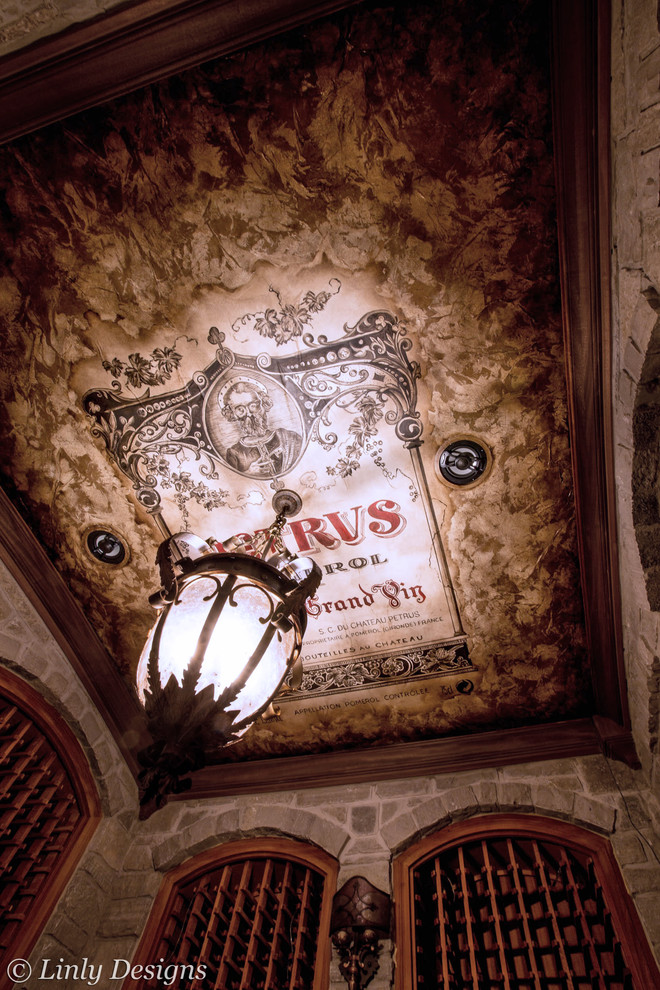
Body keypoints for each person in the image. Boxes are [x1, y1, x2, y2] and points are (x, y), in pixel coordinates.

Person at [220, 379, 302, 477]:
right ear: (233, 414)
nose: (249, 414)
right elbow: (234, 484)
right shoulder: (234, 453)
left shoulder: (291, 438)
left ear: (263, 404)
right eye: (240, 409)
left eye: (253, 406)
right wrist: (249, 473)